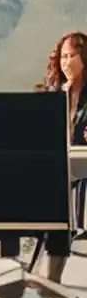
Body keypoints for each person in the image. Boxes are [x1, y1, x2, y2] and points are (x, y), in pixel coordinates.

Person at [36, 31, 87, 284]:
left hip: (81, 173)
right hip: (56, 171)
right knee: (56, 195)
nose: (66, 62)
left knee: (62, 198)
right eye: (63, 57)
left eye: (72, 56)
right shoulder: (54, 94)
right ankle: (49, 279)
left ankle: (51, 279)